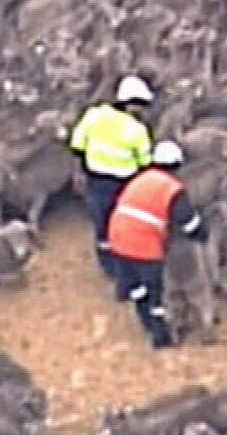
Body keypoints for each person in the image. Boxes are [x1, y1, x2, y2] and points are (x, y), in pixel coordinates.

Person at [106, 141, 207, 349]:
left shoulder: (140, 179)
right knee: (157, 293)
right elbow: (189, 222)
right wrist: (202, 236)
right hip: (143, 244)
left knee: (137, 289)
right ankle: (161, 338)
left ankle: (146, 323)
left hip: (117, 236)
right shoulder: (172, 188)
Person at [67, 76, 156, 298]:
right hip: (124, 187)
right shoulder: (137, 130)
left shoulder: (93, 115)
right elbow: (145, 164)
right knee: (125, 230)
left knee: (102, 227)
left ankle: (108, 268)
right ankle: (126, 277)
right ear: (131, 103)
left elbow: (77, 146)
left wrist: (77, 173)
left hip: (95, 182)